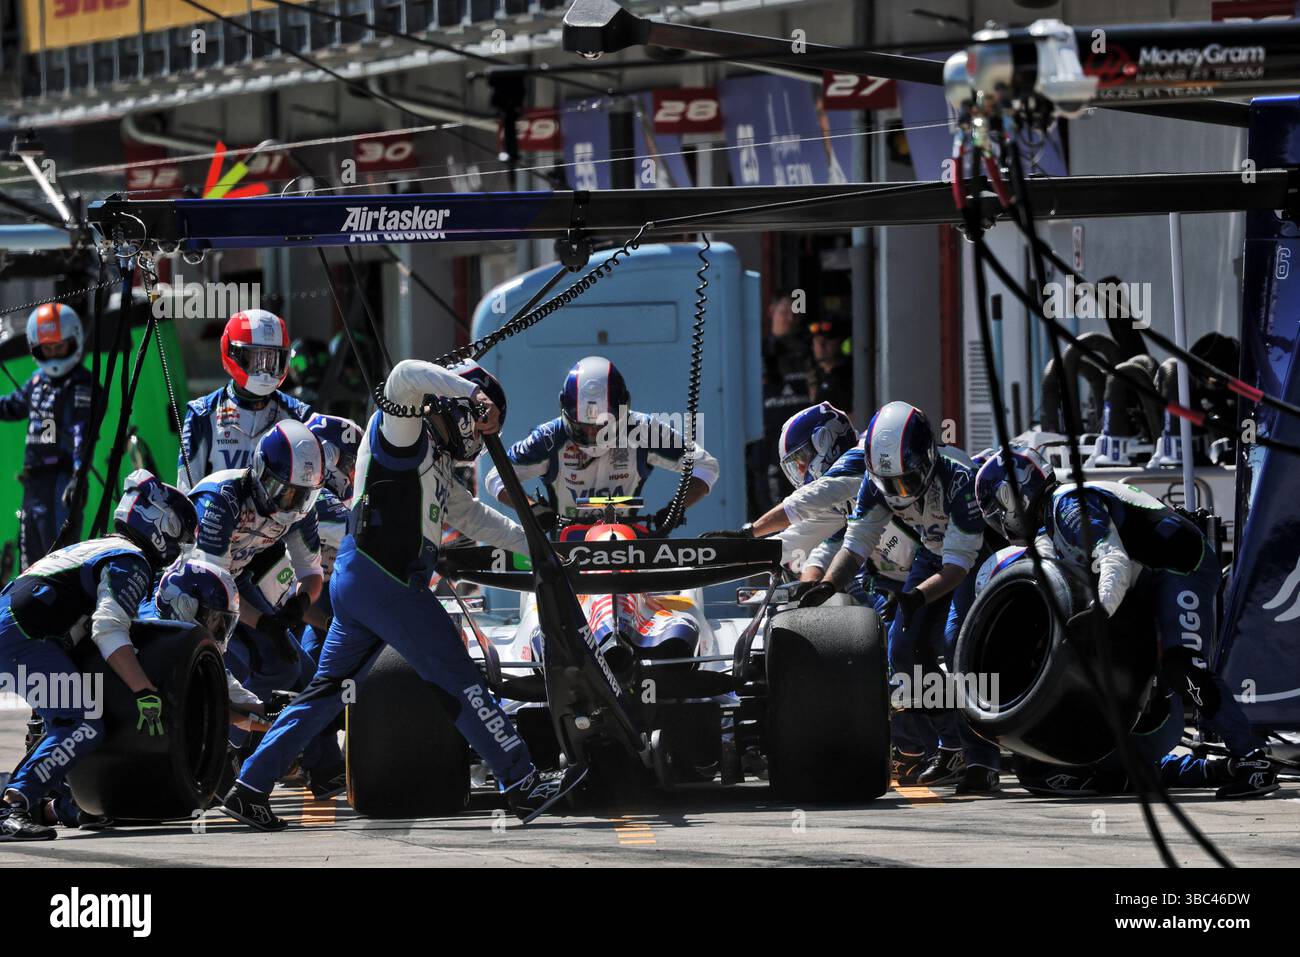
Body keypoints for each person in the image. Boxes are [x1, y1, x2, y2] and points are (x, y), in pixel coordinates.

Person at [221, 359, 586, 830]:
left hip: (363, 581)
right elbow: (404, 375)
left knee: (327, 693)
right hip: (387, 579)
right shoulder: (402, 429)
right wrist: (470, 393)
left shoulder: (429, 451)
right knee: (460, 678)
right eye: (474, 418)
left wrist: (537, 546)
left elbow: (471, 516)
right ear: (454, 404)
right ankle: (520, 782)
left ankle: (250, 786)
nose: (475, 435)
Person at [973, 445, 1279, 799]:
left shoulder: (1069, 505)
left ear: (1016, 492)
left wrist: (1100, 612)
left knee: (1183, 666)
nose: (1002, 522)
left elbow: (1112, 559)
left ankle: (1253, 759)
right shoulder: (1050, 526)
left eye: (1000, 510)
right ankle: (1192, 758)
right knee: (1163, 668)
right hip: (1151, 574)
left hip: (1181, 566)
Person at [807, 401, 1002, 793]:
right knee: (901, 646)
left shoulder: (960, 481)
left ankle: (983, 758)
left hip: (976, 555)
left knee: (958, 642)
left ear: (928, 457)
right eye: (888, 484)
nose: (898, 494)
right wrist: (828, 586)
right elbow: (856, 543)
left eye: (906, 482)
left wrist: (913, 598)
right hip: (932, 552)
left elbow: (959, 566)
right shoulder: (874, 483)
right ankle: (949, 746)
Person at [0, 470, 196, 840]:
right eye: (179, 539)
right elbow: (107, 629)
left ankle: (39, 800)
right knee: (84, 723)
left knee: (67, 723)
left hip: (16, 628)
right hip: (22, 634)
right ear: (162, 524)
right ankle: (12, 805)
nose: (175, 551)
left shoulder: (102, 546)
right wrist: (144, 691)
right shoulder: (130, 558)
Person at [187, 420, 341, 797]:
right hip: (188, 586)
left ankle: (324, 769)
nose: (289, 504)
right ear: (259, 471)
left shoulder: (302, 510)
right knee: (230, 667)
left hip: (234, 581)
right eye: (281, 491)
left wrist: (300, 603)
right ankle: (220, 753)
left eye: (300, 495)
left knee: (298, 670)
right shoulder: (221, 498)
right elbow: (209, 584)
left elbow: (311, 572)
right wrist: (264, 623)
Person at [484, 356, 718, 533]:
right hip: (564, 553)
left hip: (627, 547)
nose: (593, 433)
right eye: (584, 426)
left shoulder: (643, 430)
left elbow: (705, 466)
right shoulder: (548, 437)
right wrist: (532, 508)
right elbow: (496, 477)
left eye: (602, 425)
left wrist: (677, 507)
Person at [0, 304, 95, 567]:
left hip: (61, 482)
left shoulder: (80, 384)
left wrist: (78, 473)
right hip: (32, 484)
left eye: (59, 347)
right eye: (47, 349)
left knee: (57, 562)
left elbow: (81, 431)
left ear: (74, 341)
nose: (53, 355)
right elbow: (11, 406)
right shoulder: (35, 381)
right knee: (29, 563)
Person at [177, 309, 311, 491]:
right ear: (231, 352)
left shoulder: (299, 415)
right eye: (255, 360)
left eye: (272, 361)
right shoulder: (202, 413)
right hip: (220, 516)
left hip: (281, 518)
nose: (264, 372)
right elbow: (187, 489)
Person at [807, 314, 852, 413]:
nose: (821, 345)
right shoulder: (811, 377)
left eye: (827, 340)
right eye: (816, 340)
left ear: (842, 343)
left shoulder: (850, 378)